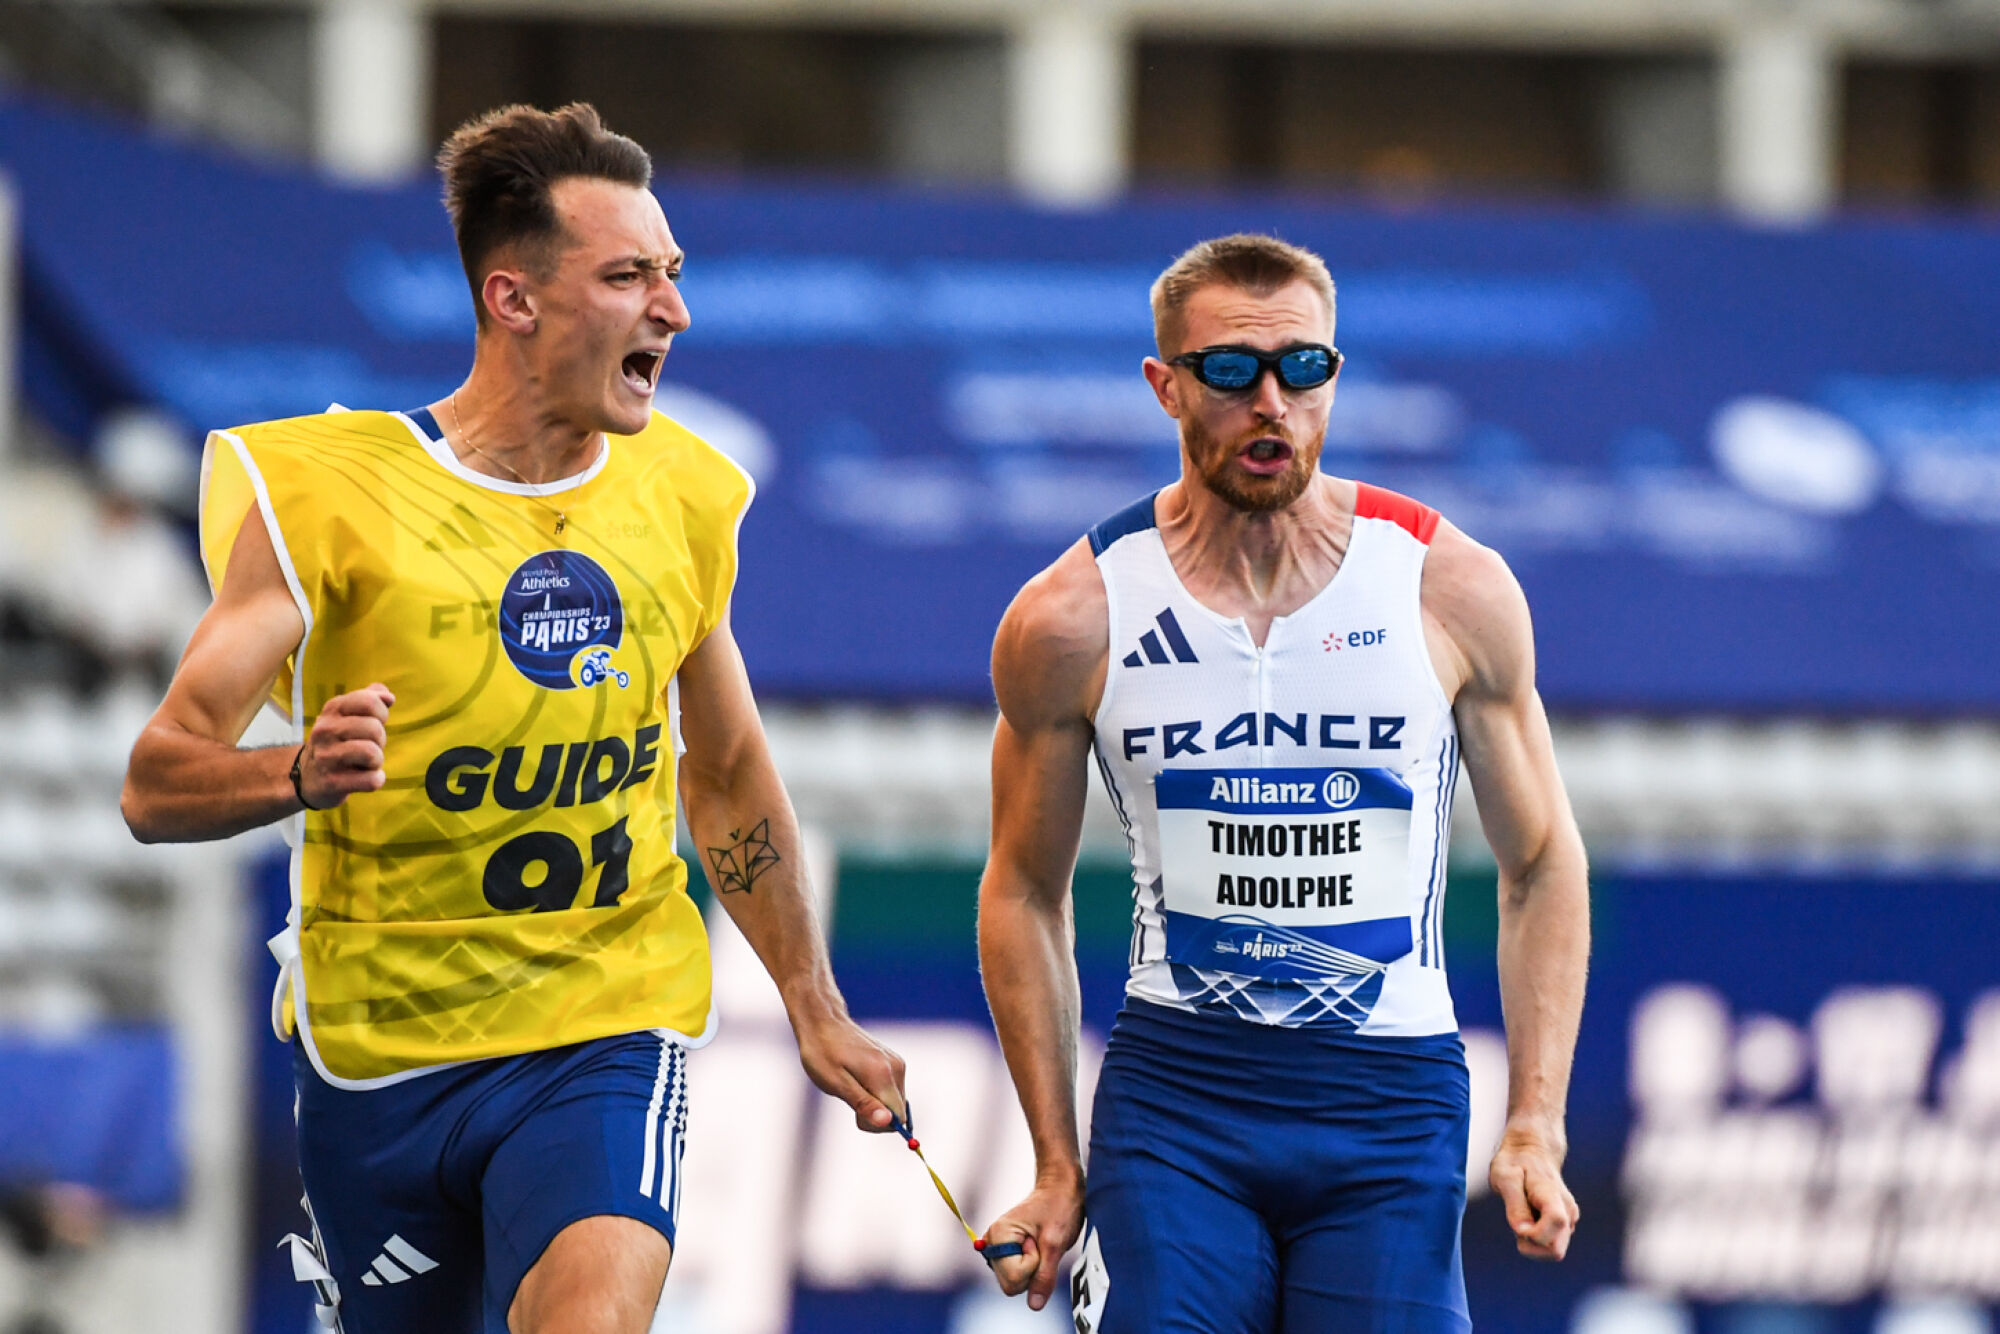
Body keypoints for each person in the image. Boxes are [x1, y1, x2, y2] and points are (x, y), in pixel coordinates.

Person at [120, 103, 906, 1334]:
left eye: (674, 274)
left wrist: (812, 1001)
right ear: (514, 299)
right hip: (383, 1055)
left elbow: (731, 764)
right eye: (629, 275)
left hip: (603, 1024)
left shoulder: (684, 493)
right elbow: (156, 781)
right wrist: (293, 773)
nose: (673, 310)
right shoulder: (324, 498)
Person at [976, 234, 1588, 1332]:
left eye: (1303, 370)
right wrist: (1055, 1163)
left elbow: (1540, 860)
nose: (1271, 402)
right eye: (1230, 372)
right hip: (1178, 1101)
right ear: (1164, 385)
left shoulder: (1446, 584)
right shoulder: (1070, 616)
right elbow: (1022, 891)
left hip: (1387, 1104)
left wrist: (1534, 1119)